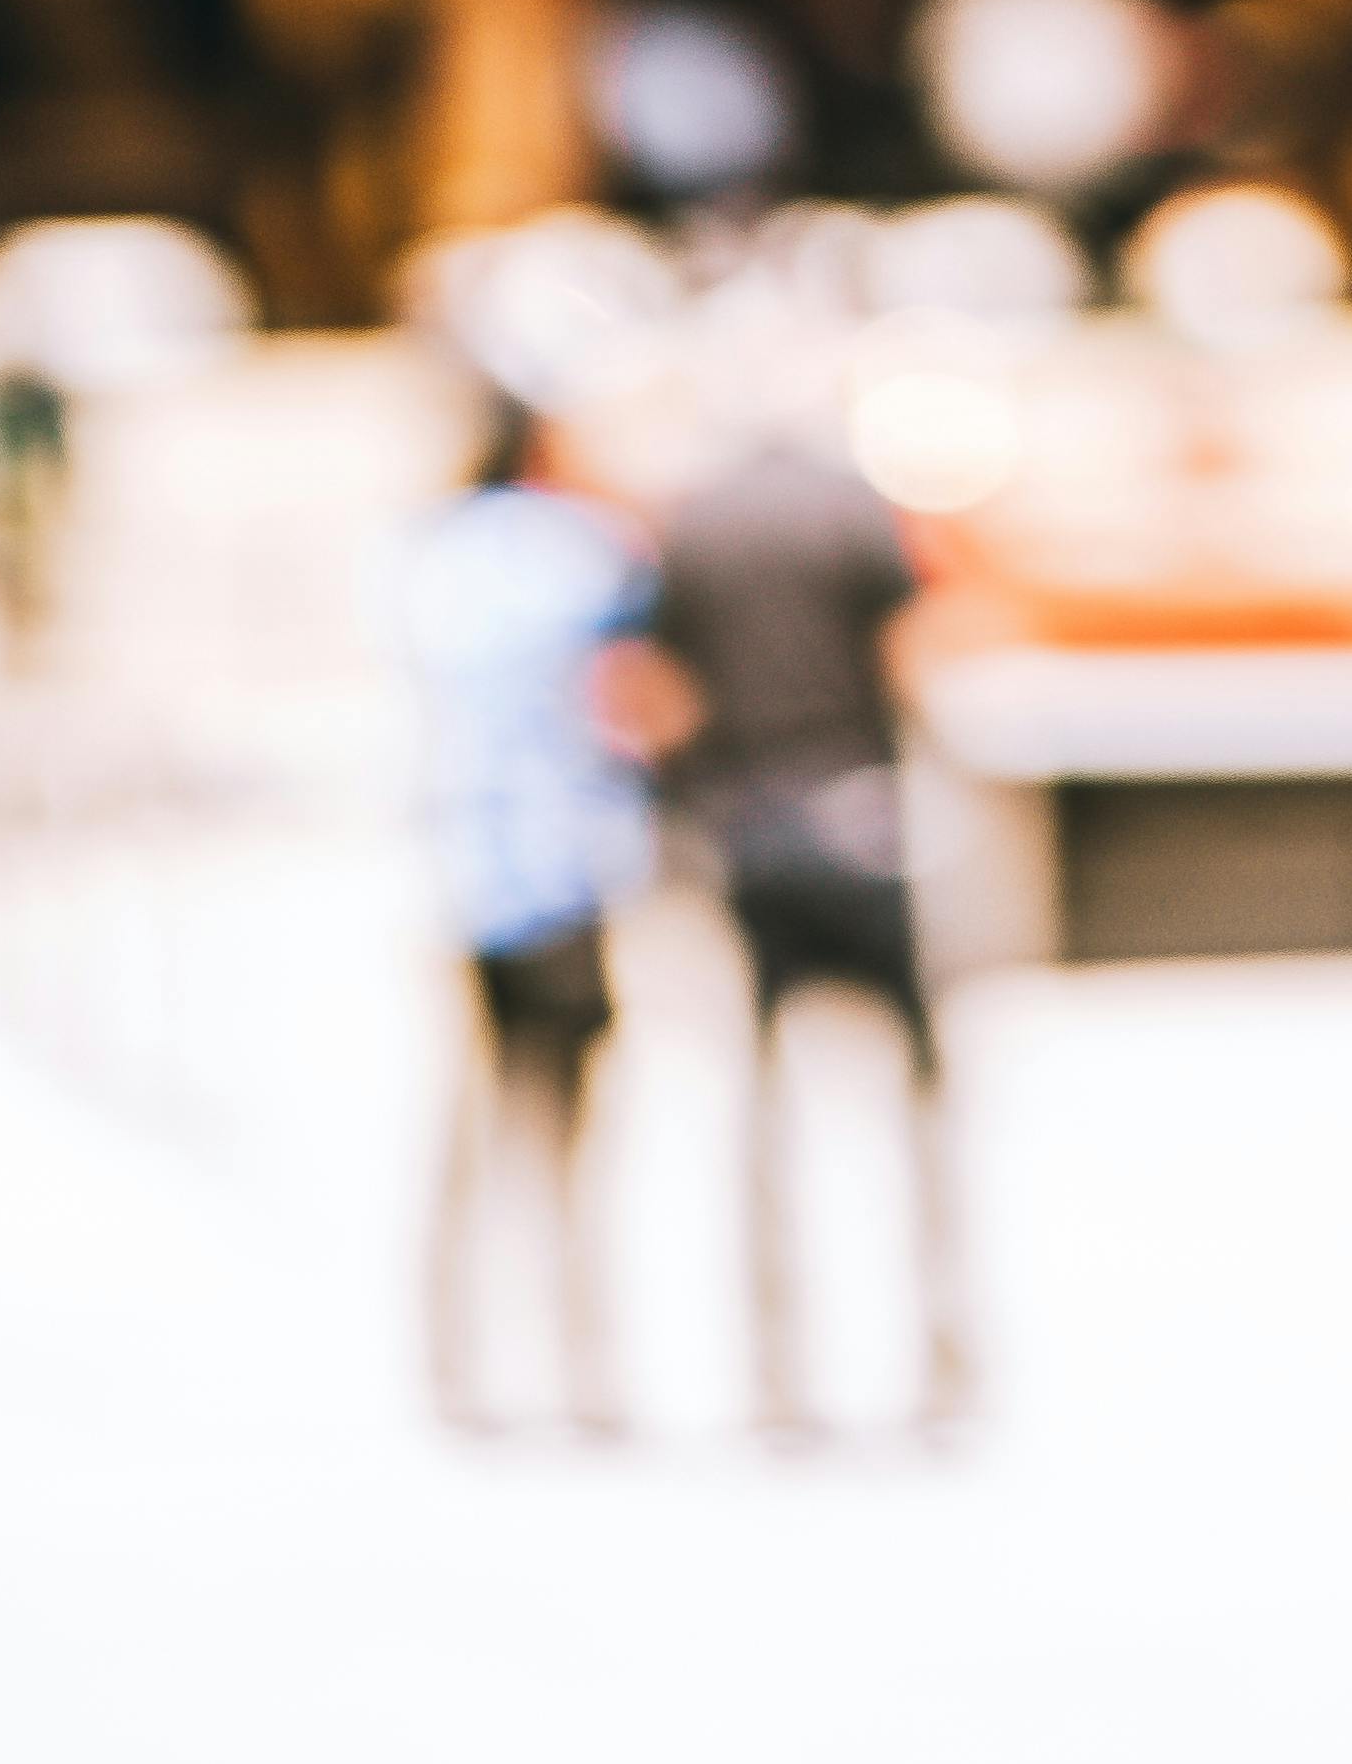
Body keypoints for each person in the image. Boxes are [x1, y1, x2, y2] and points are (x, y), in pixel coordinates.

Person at [642, 414, 970, 1439]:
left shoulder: (693, 521)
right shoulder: (852, 508)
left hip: (750, 831)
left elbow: (660, 690)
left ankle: (778, 1370)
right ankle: (939, 1358)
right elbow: (917, 648)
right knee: (914, 1111)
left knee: (764, 1113)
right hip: (860, 818)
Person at [399, 400, 664, 1441]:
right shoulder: (580, 555)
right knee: (568, 1137)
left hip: (456, 868)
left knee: (461, 1133)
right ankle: (580, 1365)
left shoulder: (421, 555)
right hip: (560, 868)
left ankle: (451, 1363)